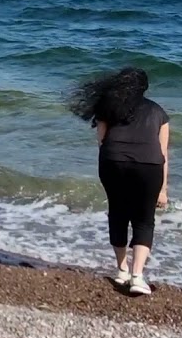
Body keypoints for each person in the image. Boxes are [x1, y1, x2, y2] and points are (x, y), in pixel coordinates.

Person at [69, 67, 170, 295]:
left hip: (113, 161)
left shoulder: (109, 108)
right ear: (144, 88)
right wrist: (163, 189)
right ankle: (137, 276)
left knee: (118, 213)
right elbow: (163, 153)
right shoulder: (159, 112)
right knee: (144, 220)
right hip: (150, 165)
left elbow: (102, 140)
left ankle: (122, 270)